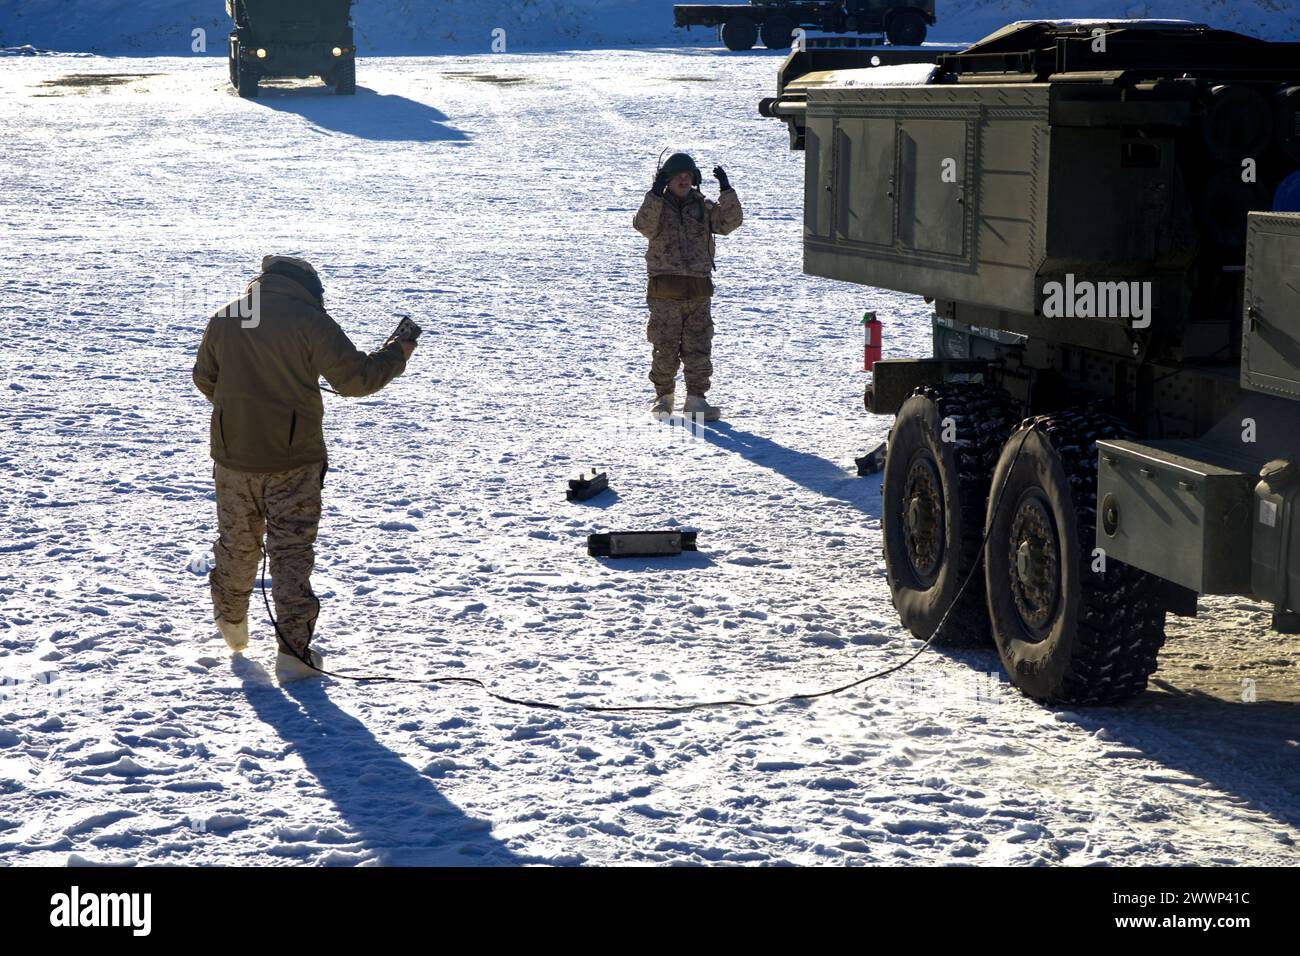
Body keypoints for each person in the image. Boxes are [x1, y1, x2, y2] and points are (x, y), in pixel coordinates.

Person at [192, 255, 416, 681]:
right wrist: (397, 353)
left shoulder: (228, 316)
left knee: (238, 544)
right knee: (291, 554)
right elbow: (356, 380)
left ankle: (232, 626)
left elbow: (205, 378)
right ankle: (294, 655)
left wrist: (240, 411)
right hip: (294, 463)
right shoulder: (311, 320)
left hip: (234, 458)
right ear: (308, 286)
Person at [633, 152, 743, 419]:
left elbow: (729, 223)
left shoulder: (703, 207)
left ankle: (696, 400)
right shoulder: (657, 206)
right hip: (665, 292)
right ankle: (664, 397)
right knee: (665, 345)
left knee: (698, 346)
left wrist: (727, 191)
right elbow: (642, 225)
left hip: (698, 290)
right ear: (667, 180)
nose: (683, 181)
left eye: (688, 176)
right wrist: (654, 194)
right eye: (677, 176)